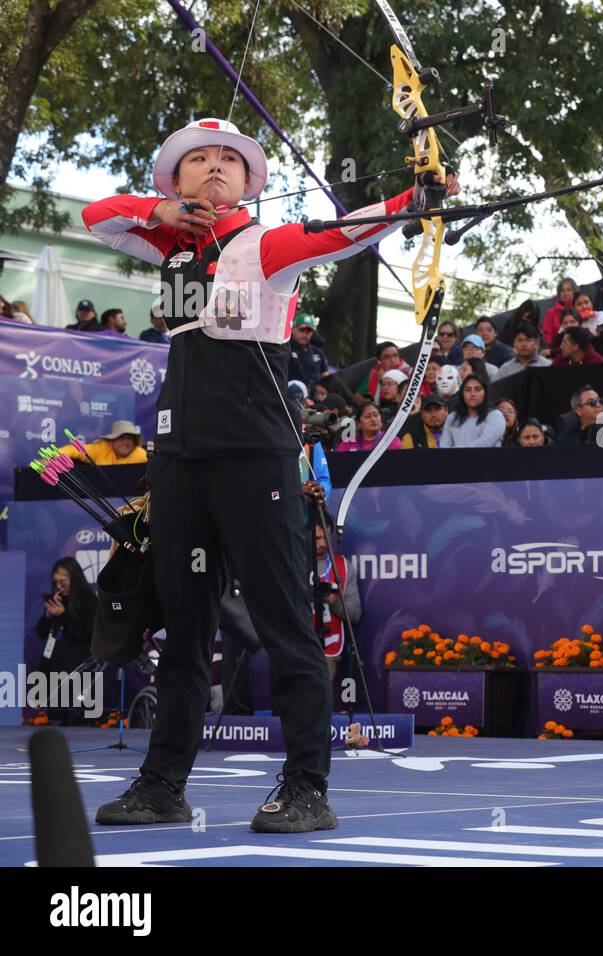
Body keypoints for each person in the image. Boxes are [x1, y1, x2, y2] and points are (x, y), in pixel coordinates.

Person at [81, 116, 433, 831]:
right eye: (198, 161)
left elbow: (342, 232)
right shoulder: (168, 240)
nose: (214, 168)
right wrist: (162, 214)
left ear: (249, 182)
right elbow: (95, 216)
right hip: (179, 461)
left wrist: (414, 199)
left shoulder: (264, 244)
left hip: (256, 458)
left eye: (229, 162)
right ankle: (161, 786)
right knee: (182, 632)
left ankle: (308, 787)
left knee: (284, 625)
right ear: (175, 181)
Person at [35, 557, 97, 695]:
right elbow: (41, 633)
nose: (59, 587)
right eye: (56, 582)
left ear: (74, 579)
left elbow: (88, 632)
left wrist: (63, 615)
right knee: (53, 711)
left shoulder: (89, 600)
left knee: (74, 711)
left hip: (77, 669)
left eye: (62, 582)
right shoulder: (57, 600)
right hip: (53, 666)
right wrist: (48, 616)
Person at [310, 516, 360, 682]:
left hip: (328, 647)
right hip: (296, 646)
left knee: (319, 701)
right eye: (317, 538)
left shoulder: (343, 566)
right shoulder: (293, 564)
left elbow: (355, 613)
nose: (323, 544)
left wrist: (333, 602)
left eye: (327, 537)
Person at [441, 373, 505, 447]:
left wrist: (454, 452)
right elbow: (444, 446)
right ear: (462, 393)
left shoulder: (495, 416)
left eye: (477, 389)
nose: (472, 394)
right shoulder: (452, 417)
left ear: (485, 393)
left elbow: (484, 444)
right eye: (467, 390)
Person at [57, 420, 148, 465]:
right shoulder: (101, 448)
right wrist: (54, 457)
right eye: (121, 438)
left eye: (129, 439)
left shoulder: (141, 455)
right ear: (112, 440)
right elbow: (73, 449)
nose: (125, 442)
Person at [286, 315, 329, 389]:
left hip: (315, 394)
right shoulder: (286, 349)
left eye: (308, 332)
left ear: (312, 333)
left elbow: (326, 376)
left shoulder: (318, 352)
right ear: (293, 330)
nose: (304, 335)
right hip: (291, 393)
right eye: (301, 330)